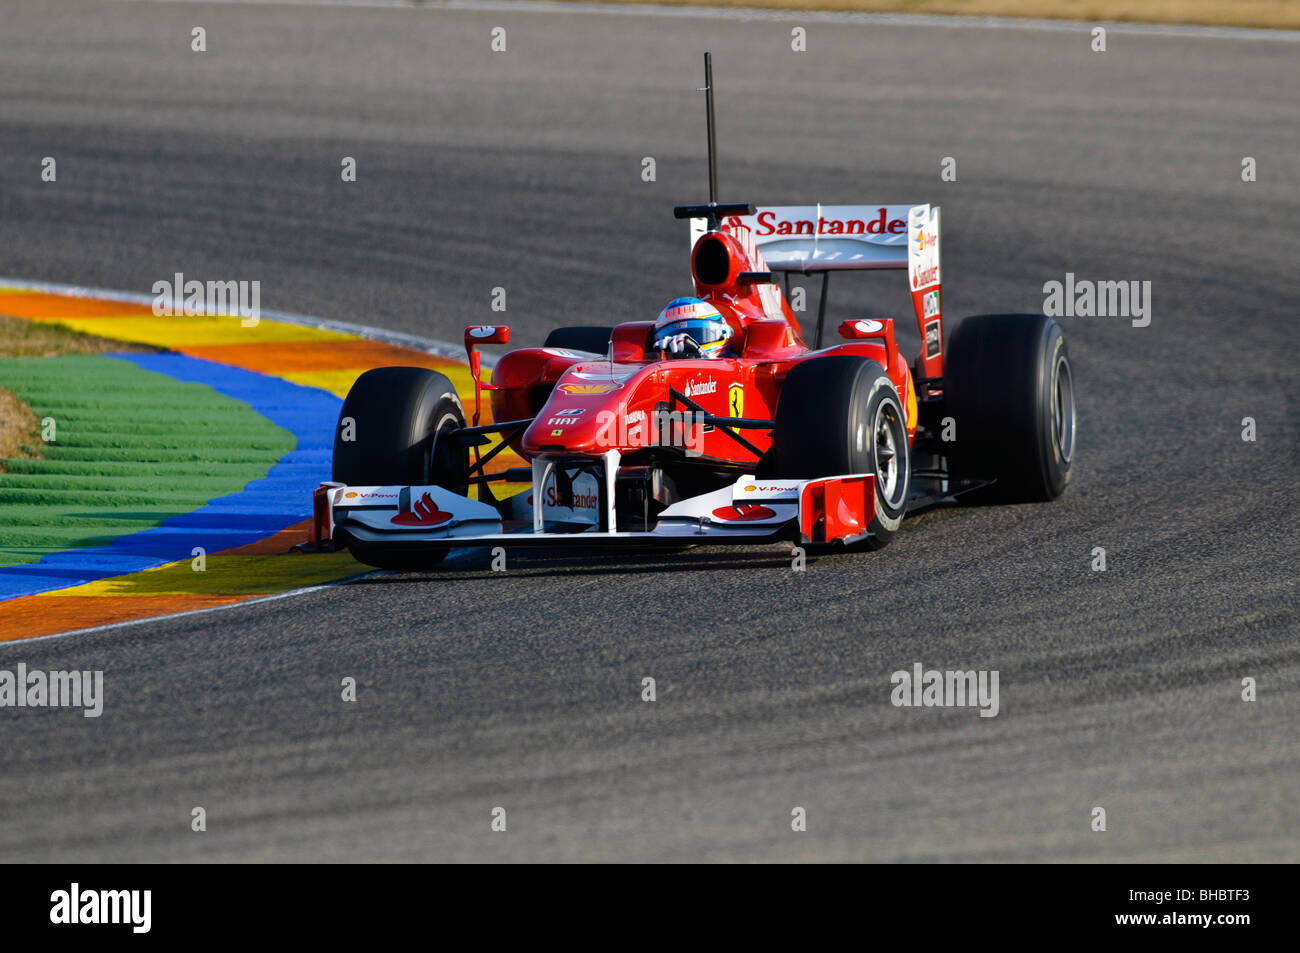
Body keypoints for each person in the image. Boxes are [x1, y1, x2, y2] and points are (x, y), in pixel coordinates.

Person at [652, 297, 733, 358]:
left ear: (724, 332)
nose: (684, 348)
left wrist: (701, 355)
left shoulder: (741, 367)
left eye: (698, 334)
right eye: (673, 336)